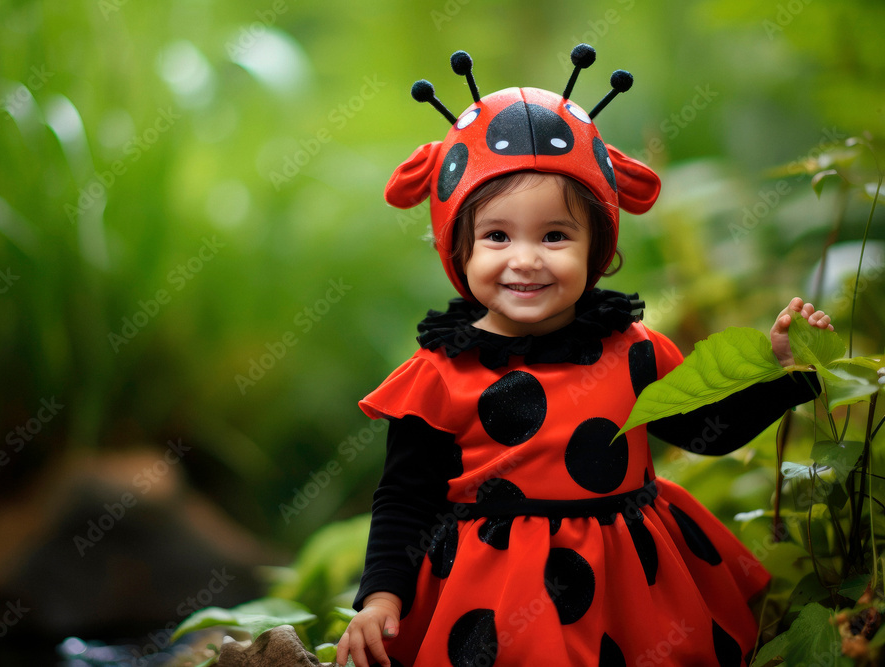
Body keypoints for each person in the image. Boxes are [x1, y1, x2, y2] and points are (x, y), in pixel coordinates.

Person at [336, 46, 833, 667]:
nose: (525, 258)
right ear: (457, 247)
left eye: (554, 235)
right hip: (490, 599)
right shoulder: (441, 373)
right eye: (496, 235)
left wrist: (783, 370)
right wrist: (381, 599)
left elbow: (704, 430)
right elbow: (405, 498)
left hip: (629, 588)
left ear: (598, 247)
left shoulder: (633, 351)